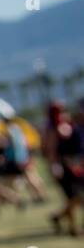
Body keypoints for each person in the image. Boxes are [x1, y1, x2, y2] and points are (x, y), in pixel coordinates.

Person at [43, 100, 83, 236]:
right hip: (64, 167)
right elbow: (51, 150)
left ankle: (57, 217)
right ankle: (73, 228)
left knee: (77, 198)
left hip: (77, 165)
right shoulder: (52, 128)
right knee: (72, 197)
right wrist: (54, 165)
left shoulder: (70, 122)